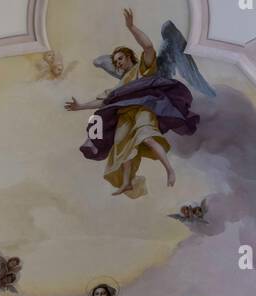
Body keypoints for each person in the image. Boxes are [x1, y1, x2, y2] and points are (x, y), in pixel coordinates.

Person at [64, 9, 200, 198]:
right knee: (123, 149)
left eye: (120, 58)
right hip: (124, 116)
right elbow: (103, 100)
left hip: (143, 109)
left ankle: (169, 169)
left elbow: (149, 47)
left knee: (147, 136)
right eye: (115, 61)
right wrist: (80, 107)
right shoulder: (121, 84)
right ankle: (127, 183)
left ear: (129, 56)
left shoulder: (143, 68)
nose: (117, 63)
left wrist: (131, 27)